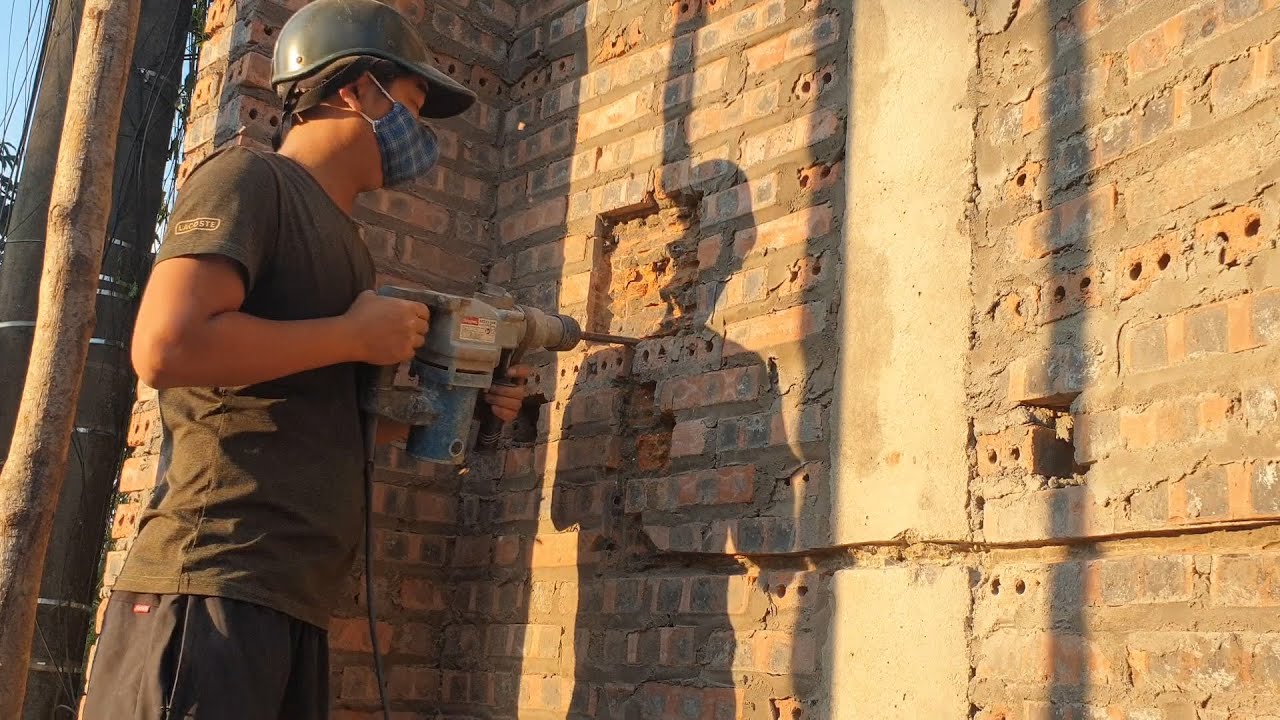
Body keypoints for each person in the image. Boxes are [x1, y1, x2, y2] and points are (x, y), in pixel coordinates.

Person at [78, 1, 527, 717]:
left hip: (293, 601)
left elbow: (323, 416)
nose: (420, 134)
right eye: (413, 104)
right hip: (212, 582)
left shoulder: (350, 248)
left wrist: (471, 410)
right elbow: (165, 347)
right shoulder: (250, 181)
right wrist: (351, 336)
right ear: (354, 89)